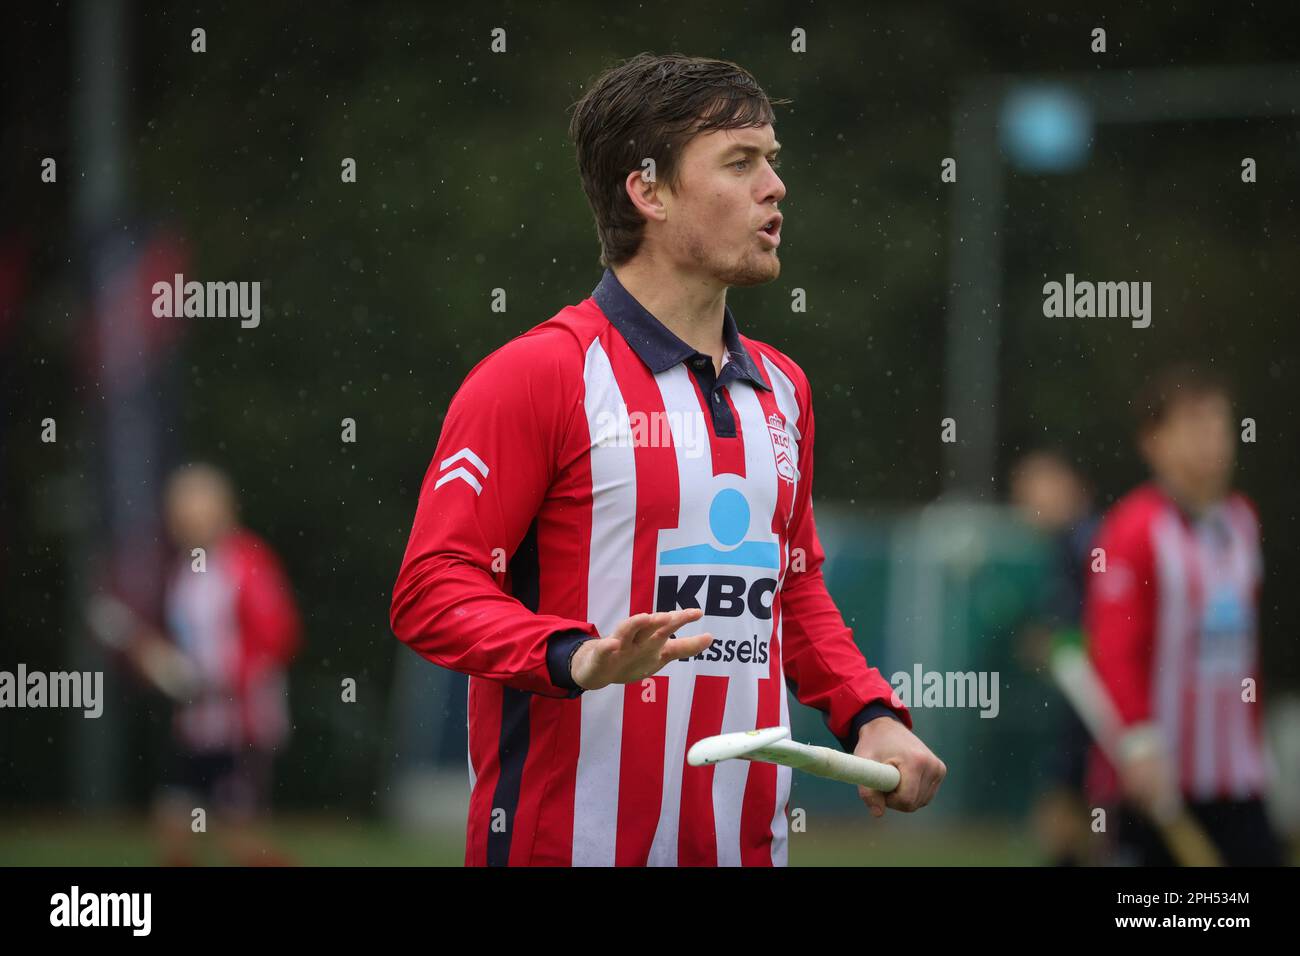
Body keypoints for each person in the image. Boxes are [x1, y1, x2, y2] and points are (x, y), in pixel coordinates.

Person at [390, 52, 945, 867]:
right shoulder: (538, 376)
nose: (775, 187)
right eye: (740, 162)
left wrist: (871, 714)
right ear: (647, 191)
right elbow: (432, 590)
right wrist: (574, 655)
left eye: (773, 161)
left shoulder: (784, 391)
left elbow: (792, 585)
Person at [1083, 365, 1284, 865]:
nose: (1212, 442)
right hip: (1156, 781)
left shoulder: (1242, 521)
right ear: (1154, 441)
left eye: (1220, 426)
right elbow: (1113, 648)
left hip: (1237, 779)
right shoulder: (1134, 528)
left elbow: (1243, 654)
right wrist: (1139, 741)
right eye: (1195, 427)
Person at [152, 463, 302, 865]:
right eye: (181, 513)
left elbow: (277, 636)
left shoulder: (247, 562)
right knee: (174, 831)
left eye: (198, 510)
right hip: (196, 725)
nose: (189, 521)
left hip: (243, 725)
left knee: (243, 842)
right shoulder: (184, 569)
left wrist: (216, 680)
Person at [1008, 449, 1100, 866]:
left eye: (1036, 486)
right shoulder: (1060, 547)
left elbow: (1111, 632)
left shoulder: (1089, 543)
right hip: (1078, 705)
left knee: (1072, 805)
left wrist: (1059, 647)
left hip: (1097, 707)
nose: (1027, 501)